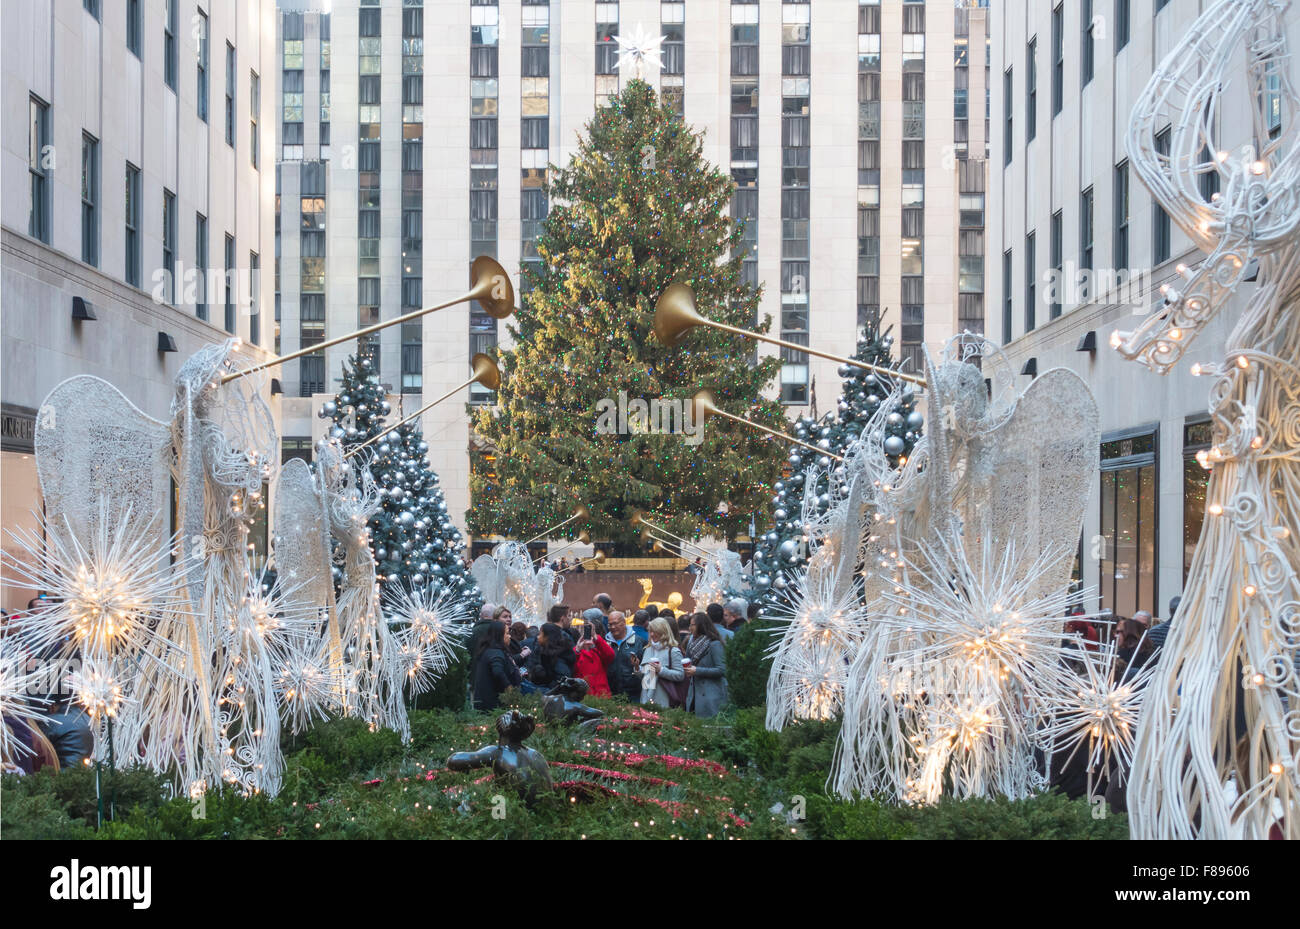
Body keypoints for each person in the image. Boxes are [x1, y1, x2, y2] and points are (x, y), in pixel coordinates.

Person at [684, 611, 728, 718]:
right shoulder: (691, 644)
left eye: (693, 625)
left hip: (711, 695)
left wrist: (697, 671)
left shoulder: (714, 644)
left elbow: (722, 669)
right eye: (689, 625)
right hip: (694, 694)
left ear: (701, 625)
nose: (690, 628)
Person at [472, 620, 522, 711]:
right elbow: (498, 672)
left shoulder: (490, 650)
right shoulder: (495, 652)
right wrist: (509, 688)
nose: (509, 636)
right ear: (499, 636)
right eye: (507, 633)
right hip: (494, 708)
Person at [639, 617, 686, 707]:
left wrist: (661, 670)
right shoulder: (648, 649)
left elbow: (680, 675)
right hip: (646, 698)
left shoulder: (673, 651)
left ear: (663, 632)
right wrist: (637, 668)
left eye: (655, 631)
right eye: (650, 631)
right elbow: (645, 676)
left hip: (664, 700)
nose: (652, 634)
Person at [523, 622, 576, 692]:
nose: (538, 637)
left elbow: (561, 681)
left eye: (540, 634)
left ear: (547, 637)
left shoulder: (559, 657)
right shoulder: (546, 652)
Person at [605, 611, 644, 701]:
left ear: (624, 622)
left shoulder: (639, 642)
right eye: (610, 625)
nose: (613, 627)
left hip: (633, 694)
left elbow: (648, 669)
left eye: (615, 623)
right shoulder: (605, 643)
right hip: (611, 694)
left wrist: (637, 667)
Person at [573, 617, 616, 696]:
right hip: (583, 696)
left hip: (602, 695)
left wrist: (596, 638)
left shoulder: (601, 650)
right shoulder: (576, 651)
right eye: (585, 631)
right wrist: (577, 649)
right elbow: (570, 667)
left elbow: (610, 656)